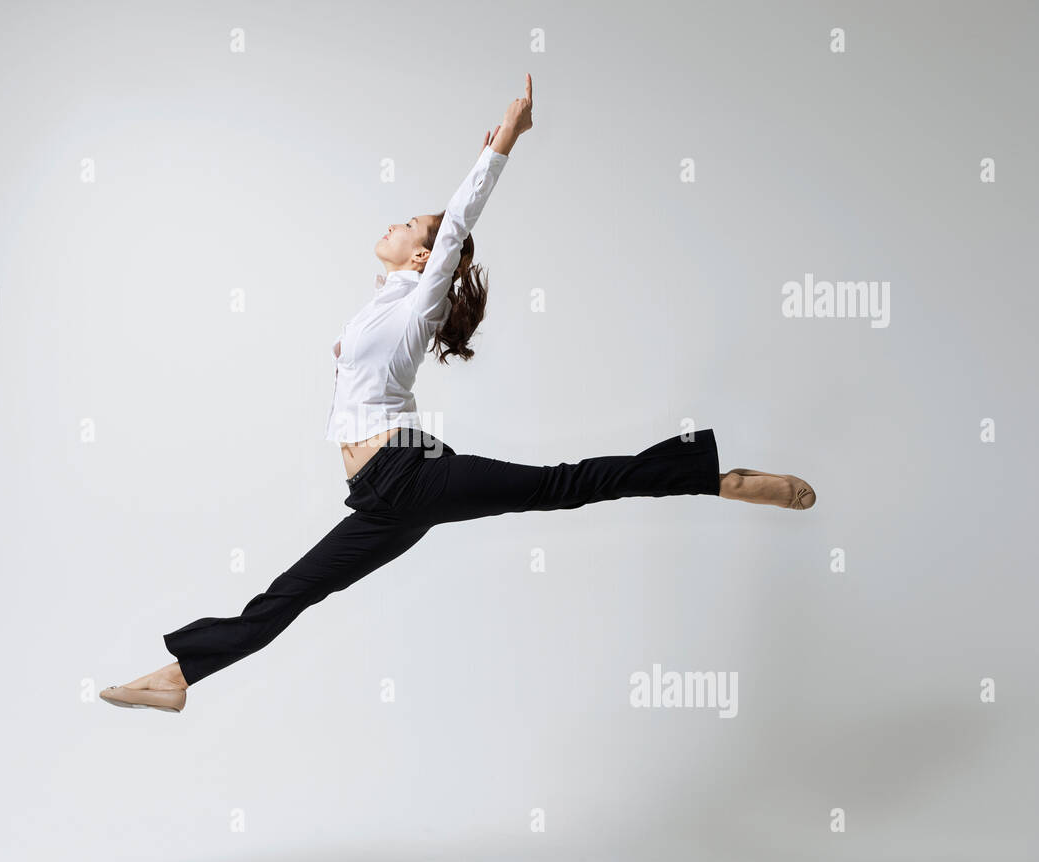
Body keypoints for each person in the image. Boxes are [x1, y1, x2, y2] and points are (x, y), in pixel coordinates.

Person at [101, 73, 815, 715]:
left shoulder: (417, 300)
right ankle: (181, 676)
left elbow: (459, 221)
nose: (395, 223)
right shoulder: (381, 304)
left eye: (408, 225)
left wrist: (504, 139)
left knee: (563, 486)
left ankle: (713, 477)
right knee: (294, 591)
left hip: (409, 471)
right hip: (384, 499)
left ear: (422, 257)